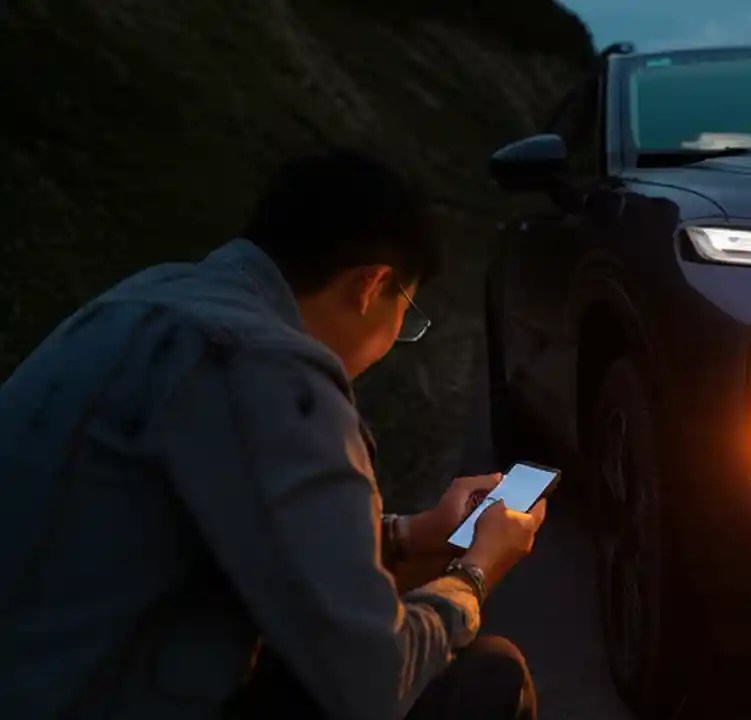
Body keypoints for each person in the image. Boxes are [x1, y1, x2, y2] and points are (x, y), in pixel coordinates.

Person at [0, 150, 545, 719]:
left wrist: (415, 533)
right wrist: (474, 571)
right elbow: (374, 683)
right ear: (370, 285)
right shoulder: (268, 371)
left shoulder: (139, 304)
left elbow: (245, 530)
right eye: (403, 313)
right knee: (488, 676)